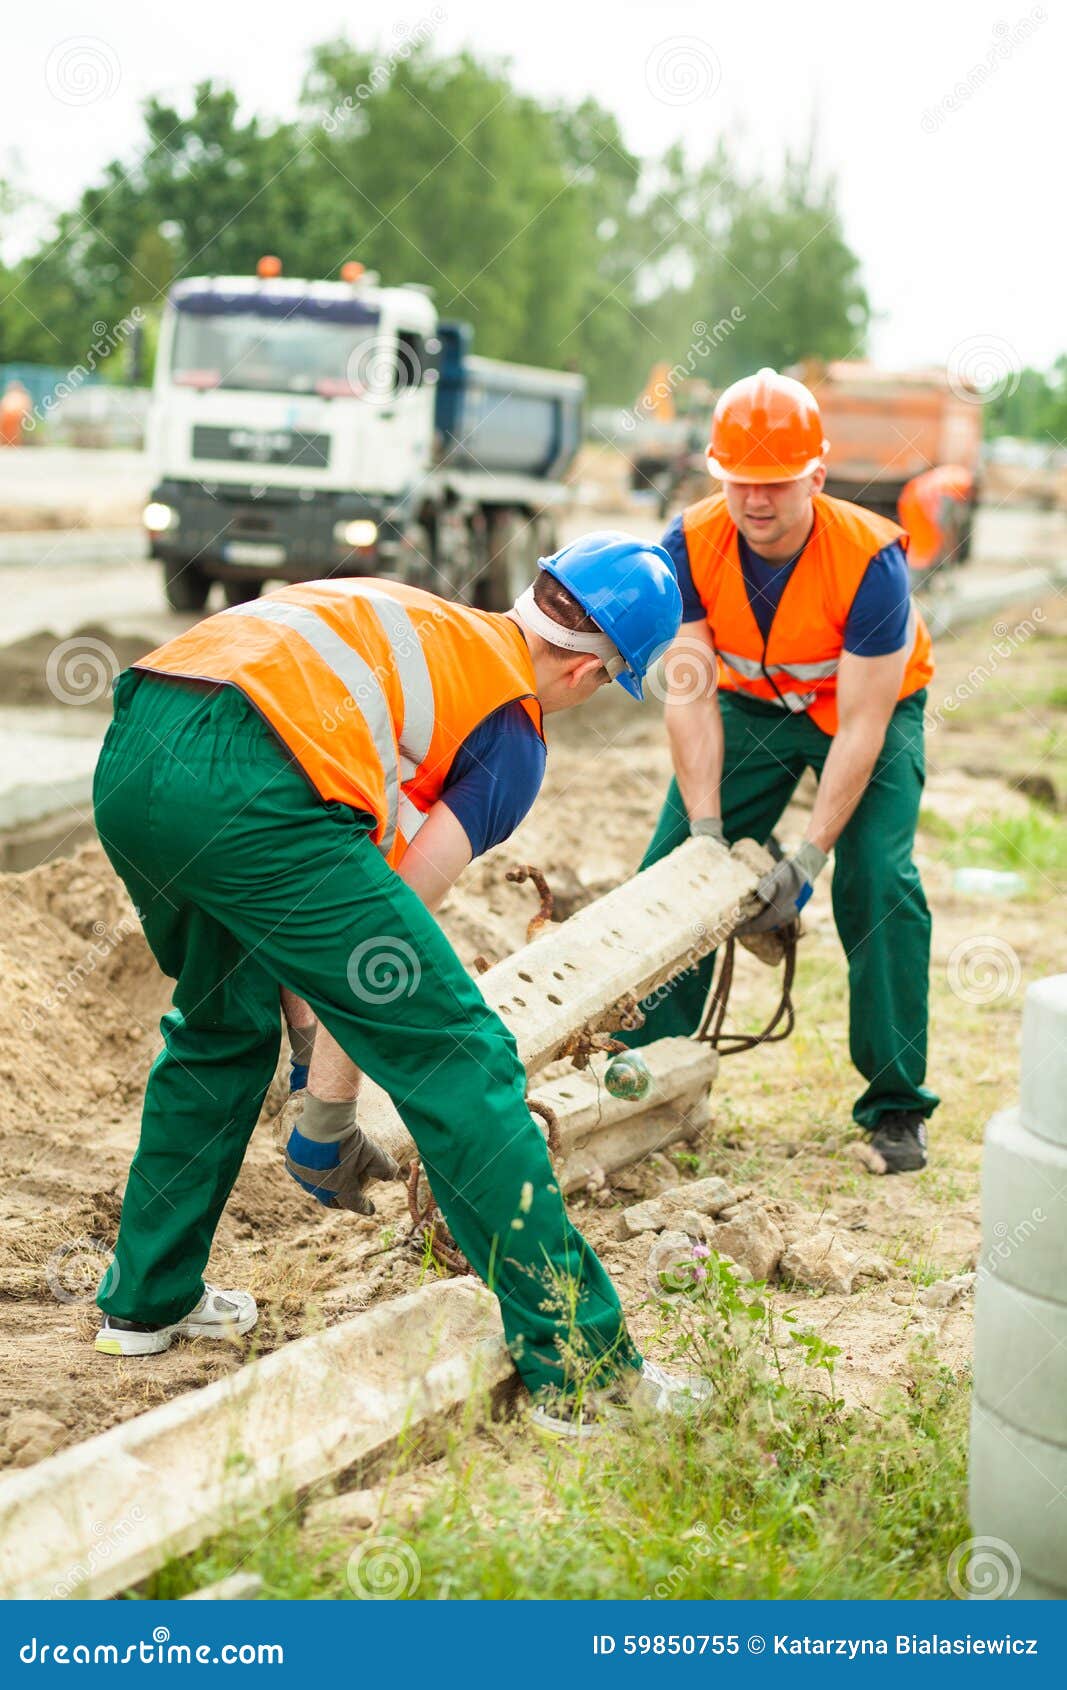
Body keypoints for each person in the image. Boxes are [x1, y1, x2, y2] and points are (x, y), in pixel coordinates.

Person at [91, 533, 705, 1430]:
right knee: (463, 1061)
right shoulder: (510, 733)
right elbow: (392, 932)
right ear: (588, 676)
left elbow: (332, 926)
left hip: (139, 747)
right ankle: (582, 1367)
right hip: (255, 790)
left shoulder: (424, 624)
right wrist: (329, 1116)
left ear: (536, 597)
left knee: (219, 1023)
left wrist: (321, 1092)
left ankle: (145, 1301)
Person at [621, 368, 938, 1175]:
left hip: (859, 712)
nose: (754, 502)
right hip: (752, 705)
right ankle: (641, 1072)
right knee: (669, 872)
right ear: (715, 474)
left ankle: (896, 1106)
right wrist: (702, 835)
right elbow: (687, 692)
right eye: (738, 483)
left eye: (774, 484)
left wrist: (806, 860)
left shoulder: (870, 562)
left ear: (815, 478)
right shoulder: (688, 544)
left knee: (877, 878)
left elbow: (862, 726)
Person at [898, 464, 976, 578]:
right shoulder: (960, 483)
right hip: (918, 506)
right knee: (923, 548)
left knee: (922, 547)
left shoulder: (957, 478)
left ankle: (919, 580)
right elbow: (944, 520)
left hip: (913, 502)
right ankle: (917, 581)